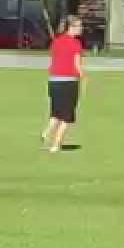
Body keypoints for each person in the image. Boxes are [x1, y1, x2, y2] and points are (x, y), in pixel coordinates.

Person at [43, 16, 85, 153]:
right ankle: (56, 144)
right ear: (71, 27)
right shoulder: (76, 44)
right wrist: (83, 77)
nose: (81, 28)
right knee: (67, 117)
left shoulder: (56, 41)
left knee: (56, 112)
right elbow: (77, 65)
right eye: (79, 26)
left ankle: (46, 133)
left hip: (54, 80)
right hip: (69, 82)